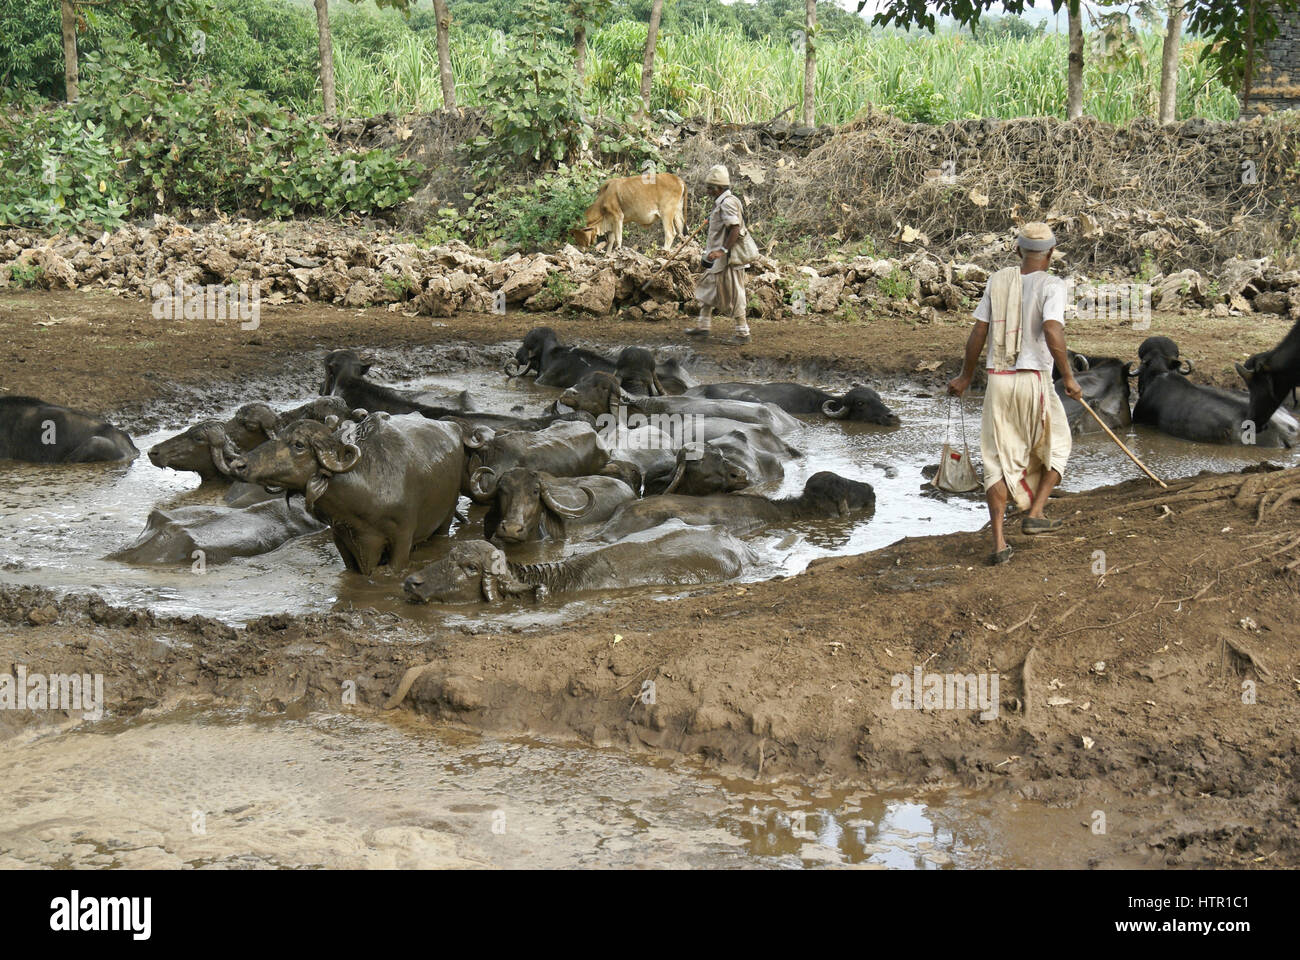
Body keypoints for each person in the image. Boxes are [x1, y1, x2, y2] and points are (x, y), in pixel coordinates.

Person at [947, 222, 1083, 565]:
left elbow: (979, 332)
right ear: (1051, 253)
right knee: (1059, 444)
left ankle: (998, 545)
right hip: (1034, 380)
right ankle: (1035, 512)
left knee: (996, 460)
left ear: (1018, 250)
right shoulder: (1053, 285)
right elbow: (1052, 329)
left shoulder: (998, 281)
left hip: (998, 381)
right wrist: (1068, 377)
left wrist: (965, 377)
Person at [686, 164, 751, 345]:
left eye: (710, 188)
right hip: (716, 259)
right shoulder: (722, 203)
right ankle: (703, 327)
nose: (707, 191)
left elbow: (735, 229)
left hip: (727, 260)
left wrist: (722, 250)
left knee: (735, 295)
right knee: (706, 288)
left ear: (719, 188)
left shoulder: (728, 203)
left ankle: (743, 333)